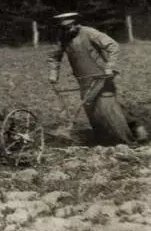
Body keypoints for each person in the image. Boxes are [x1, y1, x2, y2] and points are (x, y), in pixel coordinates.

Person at [47, 12, 145, 145]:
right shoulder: (63, 37)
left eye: (69, 26)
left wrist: (109, 66)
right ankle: (120, 134)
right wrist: (53, 74)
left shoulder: (89, 33)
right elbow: (54, 56)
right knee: (93, 110)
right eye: (63, 27)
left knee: (107, 107)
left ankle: (127, 142)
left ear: (76, 23)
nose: (67, 29)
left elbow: (113, 46)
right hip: (83, 79)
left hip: (101, 76)